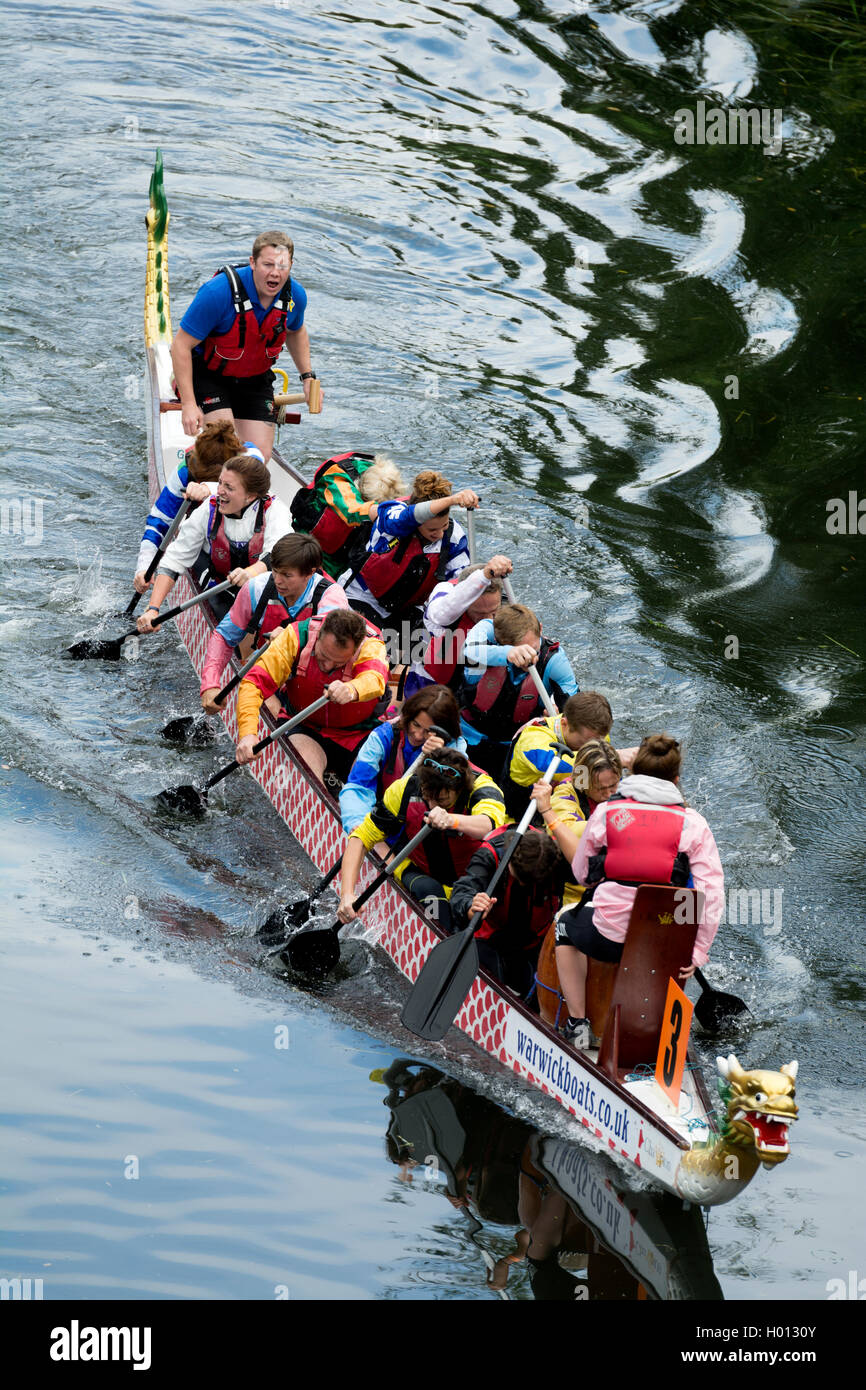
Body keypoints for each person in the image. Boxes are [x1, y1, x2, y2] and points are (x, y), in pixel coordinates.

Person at [554, 733, 725, 1050]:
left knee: (564, 925)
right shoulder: (695, 823)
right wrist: (697, 952)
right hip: (662, 944)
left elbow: (581, 872)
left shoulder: (606, 812)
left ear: (631, 775)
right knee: (668, 920)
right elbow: (711, 897)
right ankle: (653, 1036)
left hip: (607, 937)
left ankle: (578, 1023)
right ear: (675, 779)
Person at [170, 230, 321, 461]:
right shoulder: (217, 293)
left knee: (258, 457)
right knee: (225, 448)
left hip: (254, 378)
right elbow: (180, 346)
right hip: (210, 374)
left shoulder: (295, 297)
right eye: (267, 264)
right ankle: (196, 475)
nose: (275, 273)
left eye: (282, 266)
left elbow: (296, 330)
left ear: (290, 265)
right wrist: (189, 404)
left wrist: (308, 377)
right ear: (253, 262)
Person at [337, 749, 507, 930]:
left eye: (441, 800)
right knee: (430, 893)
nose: (432, 806)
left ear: (459, 789)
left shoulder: (483, 789)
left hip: (469, 881)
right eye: (427, 797)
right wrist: (347, 894)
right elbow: (360, 839)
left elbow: (489, 825)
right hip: (419, 871)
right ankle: (434, 937)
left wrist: (452, 820)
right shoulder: (406, 788)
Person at [136, 452, 293, 632]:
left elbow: (279, 554)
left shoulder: (275, 511)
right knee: (223, 610)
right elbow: (174, 560)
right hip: (219, 580)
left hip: (261, 581)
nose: (219, 491)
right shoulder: (208, 509)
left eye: (229, 487)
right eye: (219, 483)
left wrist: (251, 572)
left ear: (250, 496)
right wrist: (153, 609)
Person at [235, 609, 389, 783]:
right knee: (305, 775)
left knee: (361, 784)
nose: (328, 666)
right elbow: (254, 683)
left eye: (339, 663)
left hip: (358, 734)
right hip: (306, 726)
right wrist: (248, 734)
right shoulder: (295, 636)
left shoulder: (371, 645)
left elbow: (375, 679)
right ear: (318, 636)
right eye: (322, 656)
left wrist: (352, 689)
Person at [199, 534, 348, 713]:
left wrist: (289, 635)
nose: (277, 580)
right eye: (276, 570)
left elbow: (324, 637)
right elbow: (224, 637)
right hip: (272, 672)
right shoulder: (257, 587)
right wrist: (210, 684)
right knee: (268, 705)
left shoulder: (332, 597)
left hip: (315, 682)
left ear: (309, 573)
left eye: (287, 575)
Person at [341, 470, 477, 659]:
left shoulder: (453, 537)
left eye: (443, 526)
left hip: (406, 607)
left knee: (430, 654)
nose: (439, 533)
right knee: (368, 650)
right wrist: (453, 499)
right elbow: (406, 518)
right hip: (363, 597)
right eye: (432, 529)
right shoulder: (392, 514)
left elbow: (460, 582)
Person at [459, 602, 579, 777]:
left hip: (516, 744)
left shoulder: (554, 659)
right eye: (523, 652)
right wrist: (508, 653)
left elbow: (574, 708)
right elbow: (470, 651)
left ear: (540, 628)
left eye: (534, 649)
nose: (530, 658)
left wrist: (557, 716)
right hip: (469, 737)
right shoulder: (487, 635)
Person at [339, 684, 467, 835]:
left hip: (422, 834)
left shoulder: (455, 750)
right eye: (416, 725)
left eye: (428, 731)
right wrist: (357, 823)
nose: (418, 736)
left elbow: (450, 803)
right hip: (381, 819)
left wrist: (441, 759)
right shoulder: (385, 734)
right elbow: (358, 786)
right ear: (408, 716)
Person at [449, 828, 564, 995]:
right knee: (495, 977)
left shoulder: (555, 856)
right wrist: (470, 906)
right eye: (520, 879)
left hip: (534, 940)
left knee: (537, 991)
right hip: (489, 937)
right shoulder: (489, 855)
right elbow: (462, 892)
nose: (524, 885)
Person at [133, 420, 242, 593]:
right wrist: (144, 566)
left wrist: (209, 489)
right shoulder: (185, 471)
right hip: (207, 535)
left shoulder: (249, 462)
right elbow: (159, 523)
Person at [504, 690, 635, 818]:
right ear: (564, 723)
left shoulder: (596, 735)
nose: (590, 746)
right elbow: (548, 763)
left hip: (574, 804)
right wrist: (614, 757)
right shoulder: (533, 737)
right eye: (585, 742)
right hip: (526, 816)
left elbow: (602, 776)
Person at [401, 555, 513, 700]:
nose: (486, 620)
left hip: (475, 682)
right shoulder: (445, 595)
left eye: (493, 613)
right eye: (479, 613)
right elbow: (442, 615)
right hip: (433, 681)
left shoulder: (504, 603)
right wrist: (484, 576)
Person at [531, 740, 623, 907]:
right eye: (601, 789)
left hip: (616, 886)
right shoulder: (564, 794)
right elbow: (570, 832)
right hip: (576, 893)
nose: (611, 794)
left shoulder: (623, 789)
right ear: (583, 781)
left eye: (614, 785)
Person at [290, 452, 405, 578]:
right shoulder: (336, 479)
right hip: (310, 541)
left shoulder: (386, 480)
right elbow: (352, 510)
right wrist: (383, 511)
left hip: (344, 551)